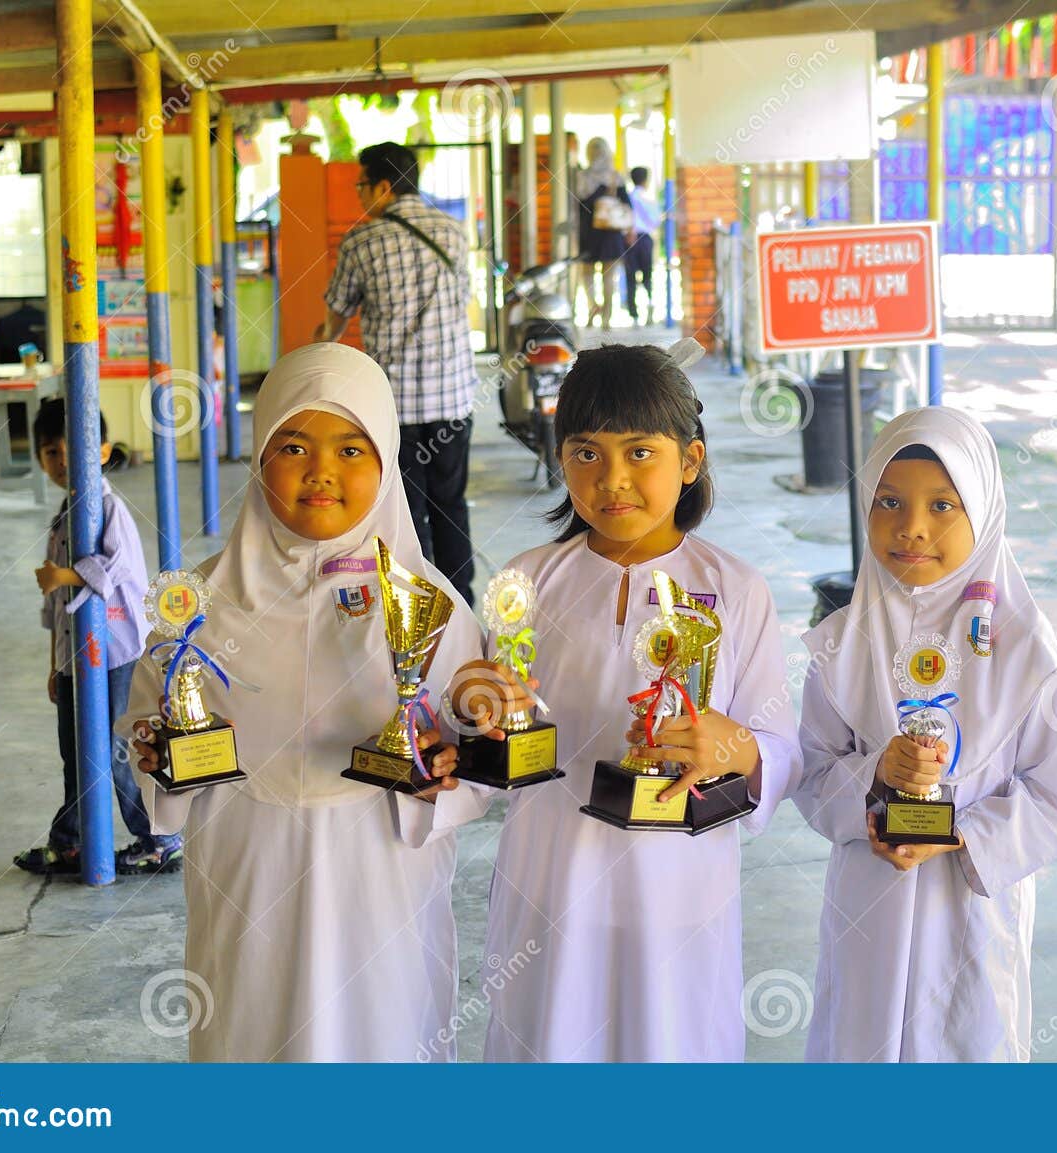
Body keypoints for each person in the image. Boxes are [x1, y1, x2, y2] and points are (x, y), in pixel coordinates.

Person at [125, 343, 489, 1061]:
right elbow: (150, 735)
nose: (322, 469)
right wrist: (159, 753)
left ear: (386, 459)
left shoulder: (427, 603)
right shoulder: (200, 604)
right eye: (293, 444)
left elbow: (469, 753)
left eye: (351, 447)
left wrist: (448, 769)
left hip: (381, 885)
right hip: (246, 882)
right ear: (259, 456)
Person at [450, 341, 801, 1061]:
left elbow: (782, 745)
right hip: (550, 883)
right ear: (559, 457)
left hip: (677, 894)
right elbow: (492, 725)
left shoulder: (735, 589)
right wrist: (479, 704)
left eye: (641, 453)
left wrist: (734, 746)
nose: (613, 479)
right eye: (586, 453)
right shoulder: (527, 580)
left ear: (691, 460)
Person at [791, 407, 1057, 1061]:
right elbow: (810, 770)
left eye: (943, 505)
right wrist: (874, 777)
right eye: (889, 501)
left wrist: (957, 834)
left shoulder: (1023, 650)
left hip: (973, 917)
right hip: (869, 904)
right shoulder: (844, 644)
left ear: (981, 512)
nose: (911, 527)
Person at [14, 399, 182, 877]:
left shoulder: (108, 507)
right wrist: (55, 663)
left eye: (74, 449)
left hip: (116, 652)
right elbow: (55, 608)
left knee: (116, 750)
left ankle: (159, 839)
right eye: (50, 451)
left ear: (102, 451)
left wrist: (64, 574)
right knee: (75, 753)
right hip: (76, 657)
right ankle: (69, 841)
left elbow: (117, 566)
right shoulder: (65, 513)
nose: (62, 460)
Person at [315, 141, 477, 605]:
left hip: (396, 408)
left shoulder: (363, 242)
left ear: (383, 187)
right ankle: (460, 600)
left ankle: (419, 608)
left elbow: (335, 318)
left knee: (406, 512)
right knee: (451, 505)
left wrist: (323, 341)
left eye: (362, 186)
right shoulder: (453, 231)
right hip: (454, 401)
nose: (360, 196)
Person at [574, 138, 632, 329]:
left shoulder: (582, 177)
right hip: (610, 232)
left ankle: (594, 310)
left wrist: (597, 192)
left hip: (589, 232)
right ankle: (605, 316)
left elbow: (580, 205)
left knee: (587, 275)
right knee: (608, 276)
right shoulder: (616, 177)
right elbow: (627, 206)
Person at [622, 166, 660, 324]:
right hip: (644, 239)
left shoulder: (626, 197)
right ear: (646, 180)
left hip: (628, 240)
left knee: (630, 277)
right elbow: (655, 221)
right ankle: (650, 305)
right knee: (647, 274)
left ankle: (634, 315)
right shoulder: (648, 199)